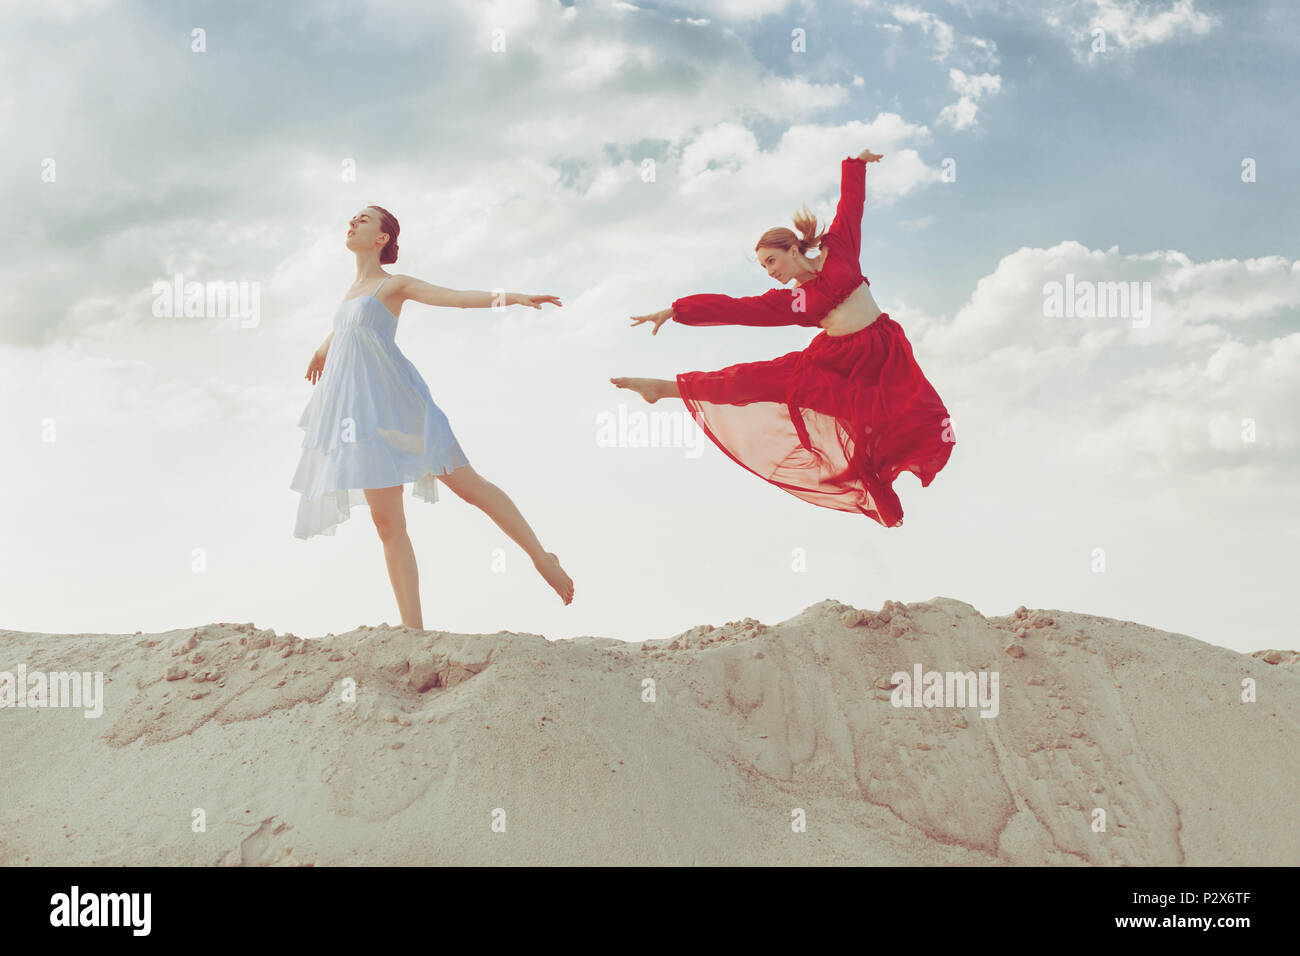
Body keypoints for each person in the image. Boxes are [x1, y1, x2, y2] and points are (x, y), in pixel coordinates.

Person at [611, 150, 955, 528]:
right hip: (833, 365)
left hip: (882, 355)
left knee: (915, 421)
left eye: (771, 261)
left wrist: (854, 164)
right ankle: (666, 388)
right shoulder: (793, 300)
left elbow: (851, 205)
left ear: (793, 249)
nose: (769, 272)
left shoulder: (838, 249)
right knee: (751, 379)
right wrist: (677, 310)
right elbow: (736, 308)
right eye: (763, 267)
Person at [291, 205, 574, 627]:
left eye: (364, 219)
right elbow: (348, 328)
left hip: (403, 408)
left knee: (469, 487)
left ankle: (540, 556)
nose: (352, 221)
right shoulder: (351, 292)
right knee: (387, 523)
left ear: (382, 238)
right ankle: (414, 630)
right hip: (364, 421)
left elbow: (457, 299)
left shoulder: (394, 284)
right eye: (352, 217)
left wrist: (514, 297)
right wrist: (321, 348)